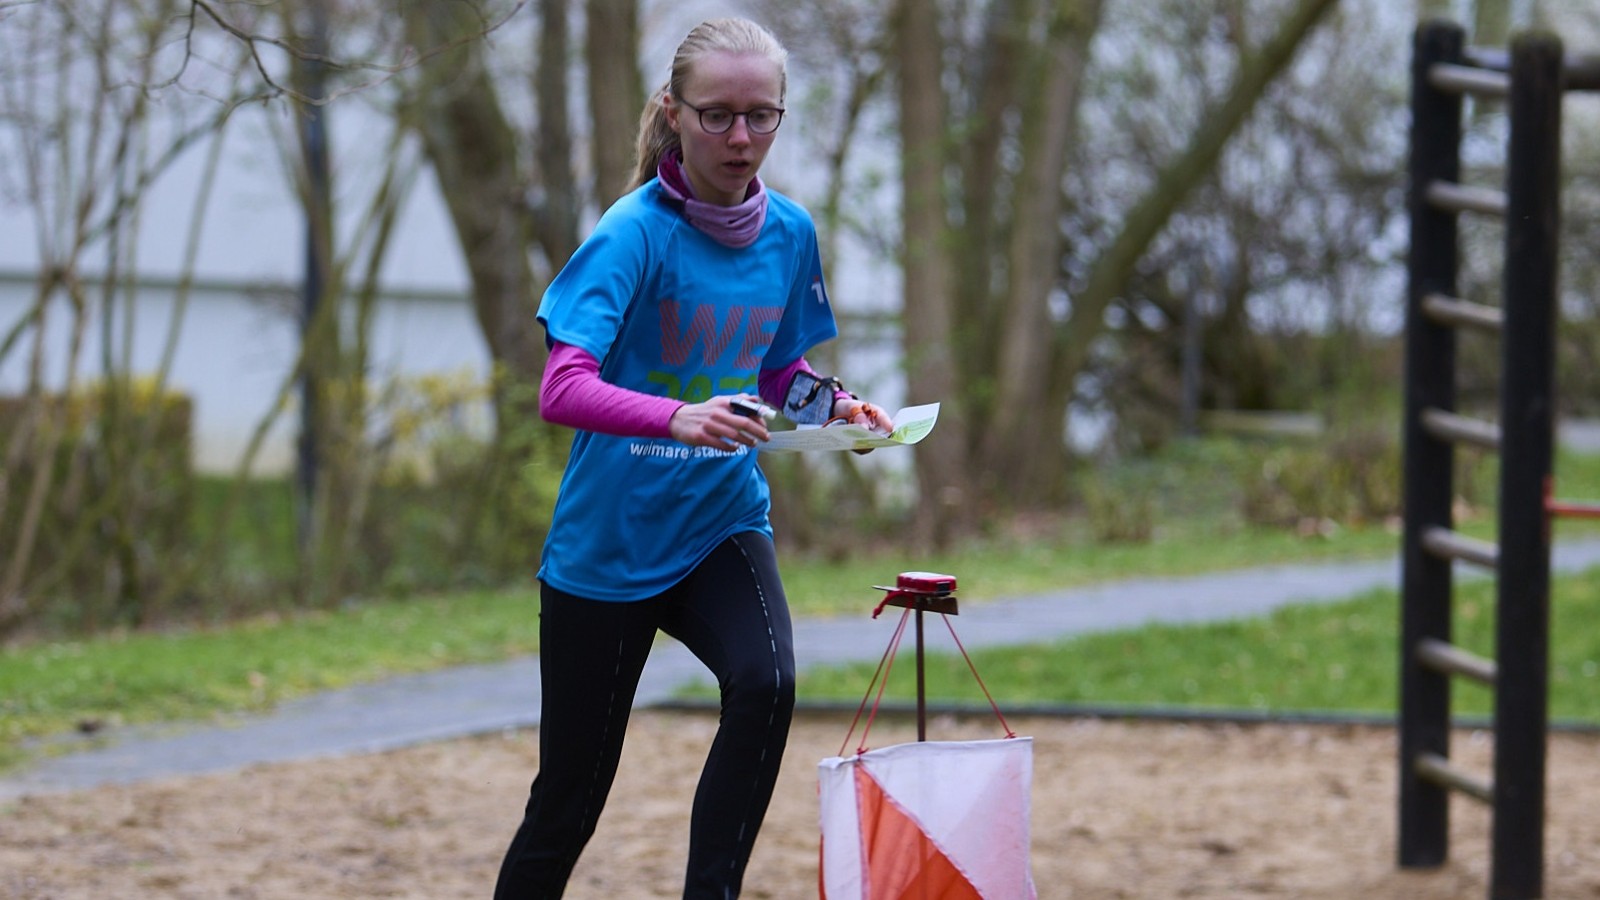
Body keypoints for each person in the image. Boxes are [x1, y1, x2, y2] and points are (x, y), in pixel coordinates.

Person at [493, 17, 894, 900]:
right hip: (608, 549)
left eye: (762, 116)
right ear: (673, 113)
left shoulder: (790, 234)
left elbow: (776, 366)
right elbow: (562, 389)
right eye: (717, 116)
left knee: (769, 682)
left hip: (720, 521)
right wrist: (679, 417)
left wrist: (835, 406)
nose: (741, 137)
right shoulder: (632, 235)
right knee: (568, 801)